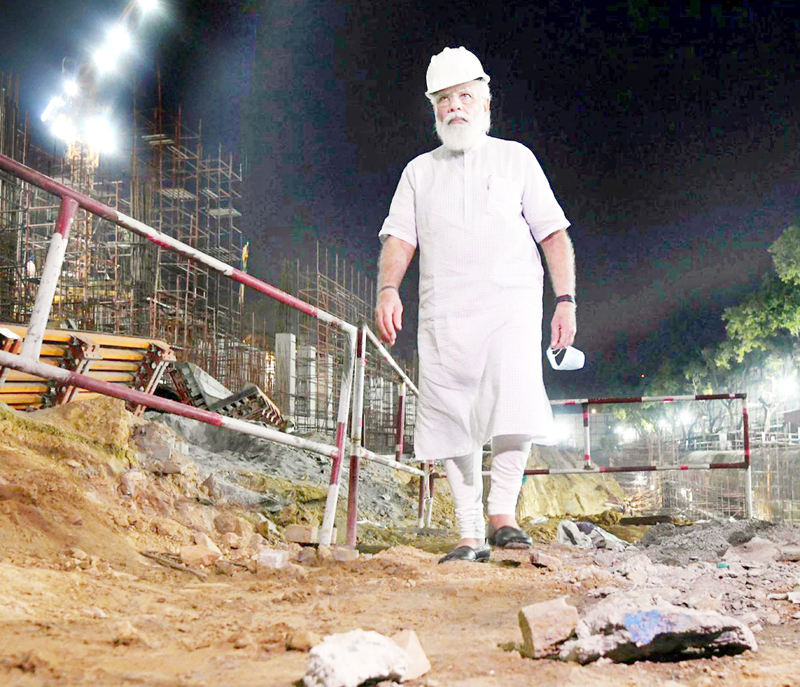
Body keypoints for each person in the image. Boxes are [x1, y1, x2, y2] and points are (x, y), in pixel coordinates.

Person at [375, 47, 577, 563]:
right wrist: (388, 289)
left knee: (513, 402)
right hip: (444, 312)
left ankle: (502, 516)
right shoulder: (418, 172)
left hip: (511, 306)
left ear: (485, 105)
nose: (455, 107)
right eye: (444, 99)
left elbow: (553, 233)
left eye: (465, 96)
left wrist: (566, 301)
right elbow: (399, 239)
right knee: (450, 415)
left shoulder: (516, 159)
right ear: (434, 110)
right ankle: (468, 534)